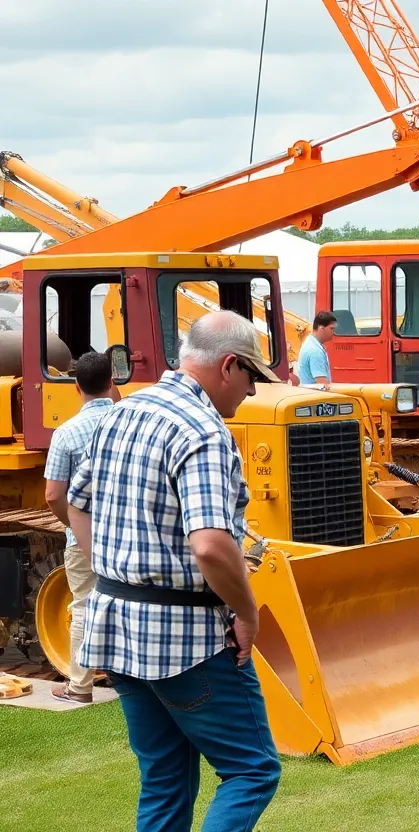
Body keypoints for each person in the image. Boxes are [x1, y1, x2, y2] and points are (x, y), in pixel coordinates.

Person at [66, 311, 282, 828]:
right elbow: (210, 545)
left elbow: (74, 502)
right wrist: (247, 614)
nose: (251, 392)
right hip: (187, 640)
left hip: (116, 628)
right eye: (251, 377)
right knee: (252, 771)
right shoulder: (204, 431)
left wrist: (116, 567)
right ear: (229, 365)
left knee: (164, 777)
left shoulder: (120, 413)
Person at [45, 351, 115, 705]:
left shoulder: (67, 433)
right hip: (129, 532)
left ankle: (80, 685)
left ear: (76, 387)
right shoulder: (130, 423)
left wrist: (74, 523)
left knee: (85, 605)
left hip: (83, 535)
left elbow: (54, 493)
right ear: (112, 382)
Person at [297, 310, 337, 386]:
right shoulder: (315, 351)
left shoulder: (310, 343)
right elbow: (322, 383)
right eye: (331, 329)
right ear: (321, 328)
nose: (333, 332)